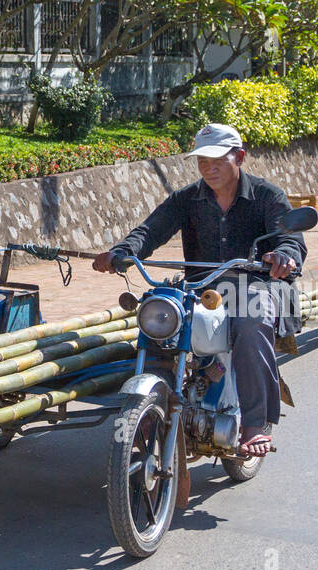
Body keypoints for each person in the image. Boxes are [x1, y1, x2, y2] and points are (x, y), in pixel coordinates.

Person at [92, 123, 306, 458]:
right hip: (202, 288)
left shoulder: (267, 197)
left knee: (251, 322)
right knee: (160, 320)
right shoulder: (187, 198)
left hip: (257, 285)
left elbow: (291, 239)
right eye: (202, 161)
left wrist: (285, 256)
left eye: (217, 159)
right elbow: (150, 230)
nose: (209, 168)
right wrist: (122, 252)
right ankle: (151, 410)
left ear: (240, 157)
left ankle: (254, 425)